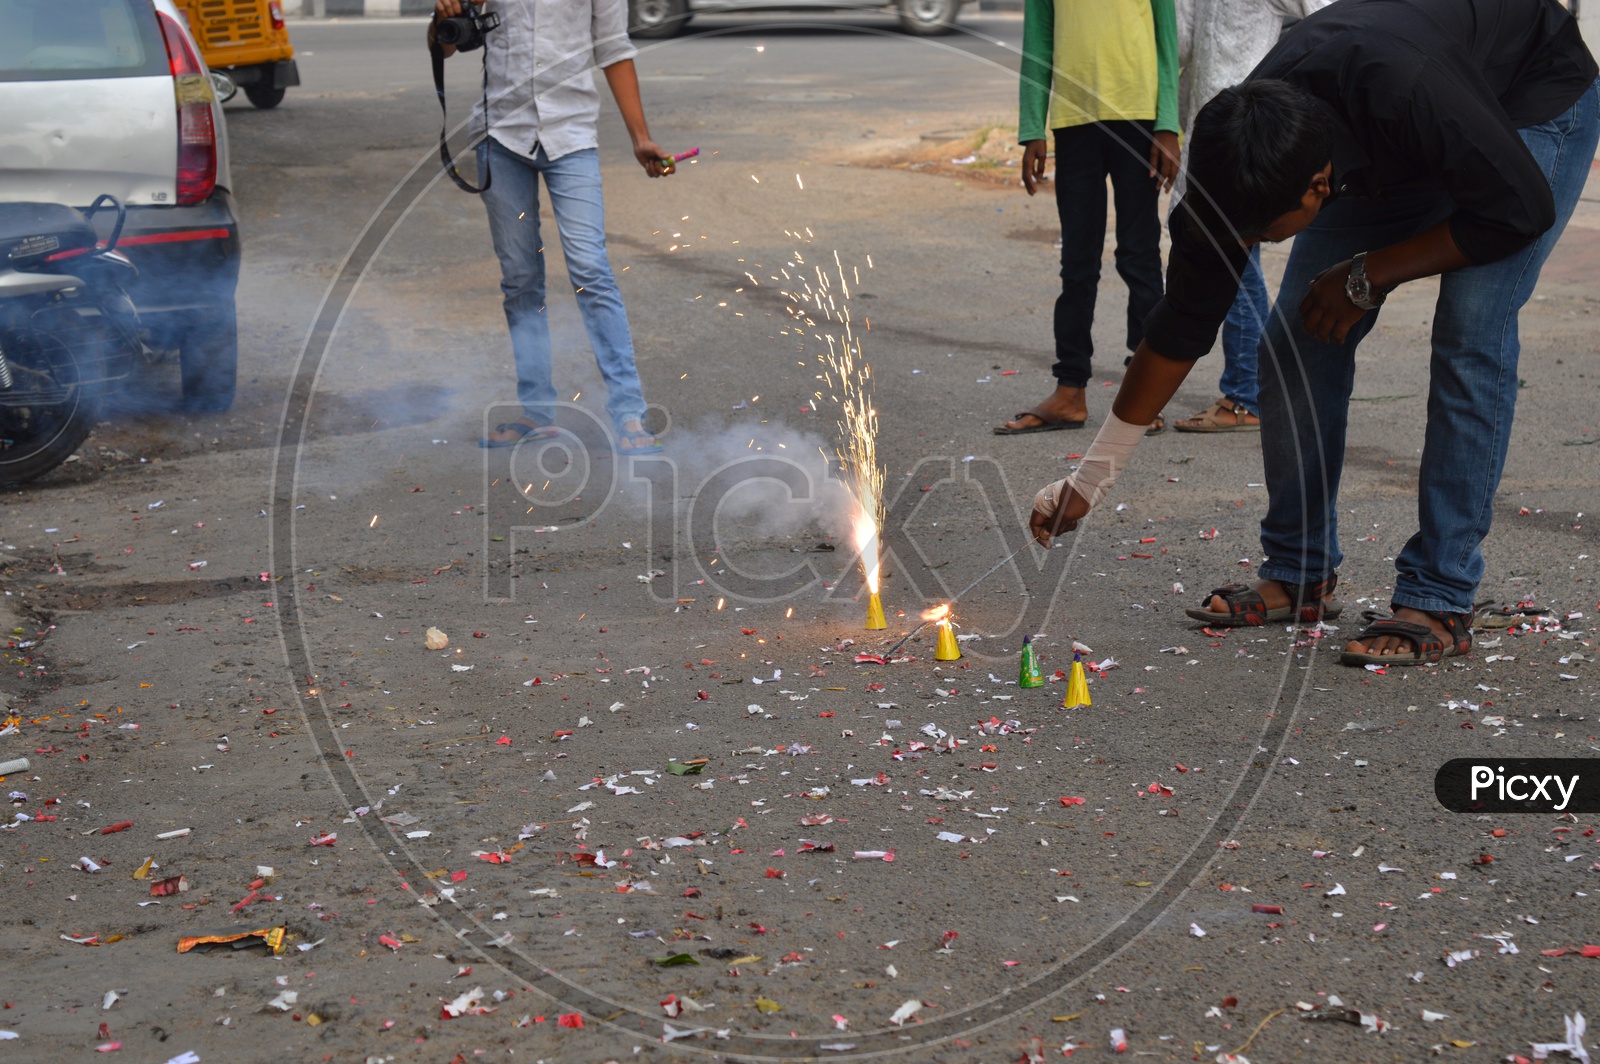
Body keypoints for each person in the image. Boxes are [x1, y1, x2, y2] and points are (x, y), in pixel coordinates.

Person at [1027, 0, 1598, 666]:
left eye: (1262, 236)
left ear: (1319, 189)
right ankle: (1300, 571)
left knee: (1471, 329)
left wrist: (1368, 274)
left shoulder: (1404, 90)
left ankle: (1439, 597)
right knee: (1294, 341)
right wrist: (1090, 479)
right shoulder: (1237, 162)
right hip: (1404, 127)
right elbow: (1180, 328)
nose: (1247, 248)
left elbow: (1518, 210)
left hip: (1528, 98)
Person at [432, 0, 669, 452]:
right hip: (500, 137)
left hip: (571, 136)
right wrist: (444, 16)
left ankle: (629, 413)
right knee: (520, 279)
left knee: (590, 272)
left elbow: (614, 49)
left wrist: (640, 136)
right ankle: (536, 412)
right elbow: (445, 47)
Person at [995, 0, 1180, 437]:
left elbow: (1166, 42)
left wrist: (1168, 123)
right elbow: (1037, 42)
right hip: (1073, 119)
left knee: (1139, 257)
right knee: (1078, 264)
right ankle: (1069, 391)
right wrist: (1032, 128)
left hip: (1139, 117)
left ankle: (1144, 393)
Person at [1171, 0, 1336, 434]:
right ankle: (1246, 391)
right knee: (1231, 256)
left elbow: (1331, 16)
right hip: (1213, 129)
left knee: (1237, 262)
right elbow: (1180, 46)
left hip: (1257, 131)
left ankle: (1246, 395)